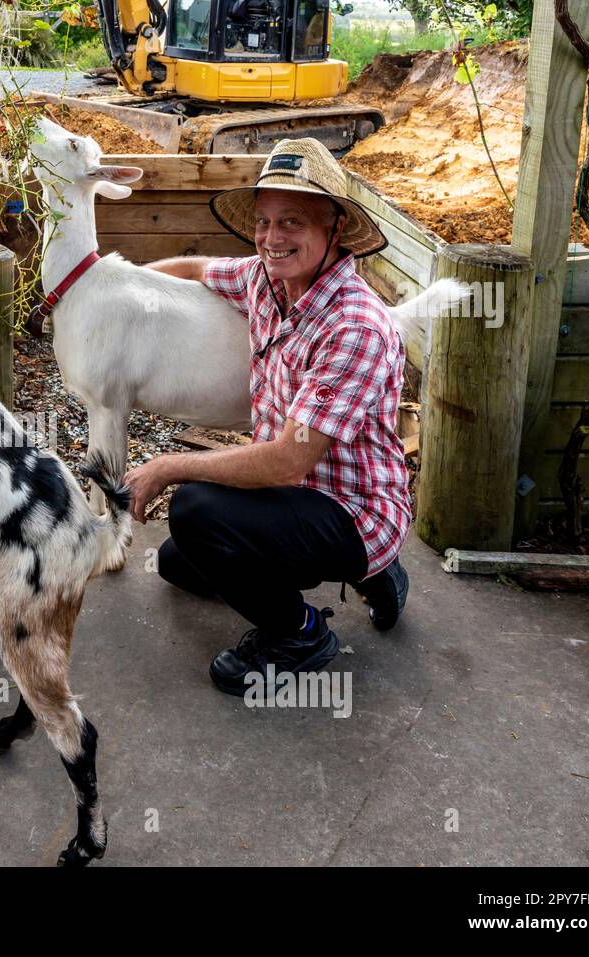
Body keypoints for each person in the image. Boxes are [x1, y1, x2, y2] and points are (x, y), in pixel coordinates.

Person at [128, 137, 411, 695]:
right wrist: (118, 289)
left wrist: (168, 465)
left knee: (194, 509)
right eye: (263, 222)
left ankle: (300, 632)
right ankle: (370, 575)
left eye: (292, 222)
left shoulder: (355, 328)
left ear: (334, 229)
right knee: (177, 562)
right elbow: (192, 267)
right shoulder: (266, 279)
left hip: (350, 509)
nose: (271, 239)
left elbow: (286, 461)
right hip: (291, 499)